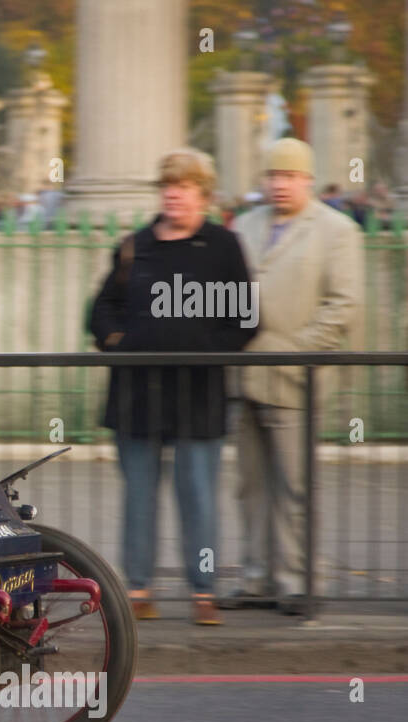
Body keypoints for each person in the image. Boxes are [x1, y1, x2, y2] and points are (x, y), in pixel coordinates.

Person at [88, 149, 258, 625]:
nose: (173, 194)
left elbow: (246, 318)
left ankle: (203, 591)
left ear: (203, 194)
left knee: (198, 495)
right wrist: (117, 342)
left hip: (198, 392)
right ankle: (138, 587)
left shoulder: (223, 246)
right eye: (167, 186)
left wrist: (207, 350)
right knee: (139, 495)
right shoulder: (134, 245)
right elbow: (101, 310)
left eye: (183, 187)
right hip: (137, 393)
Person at [224, 137, 364, 615]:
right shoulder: (244, 225)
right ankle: (257, 577)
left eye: (289, 176)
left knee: (295, 488)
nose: (279, 184)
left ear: (306, 179)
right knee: (251, 486)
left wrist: (296, 349)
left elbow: (343, 306)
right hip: (245, 377)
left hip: (294, 380)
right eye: (273, 176)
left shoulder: (337, 230)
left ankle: (299, 580)